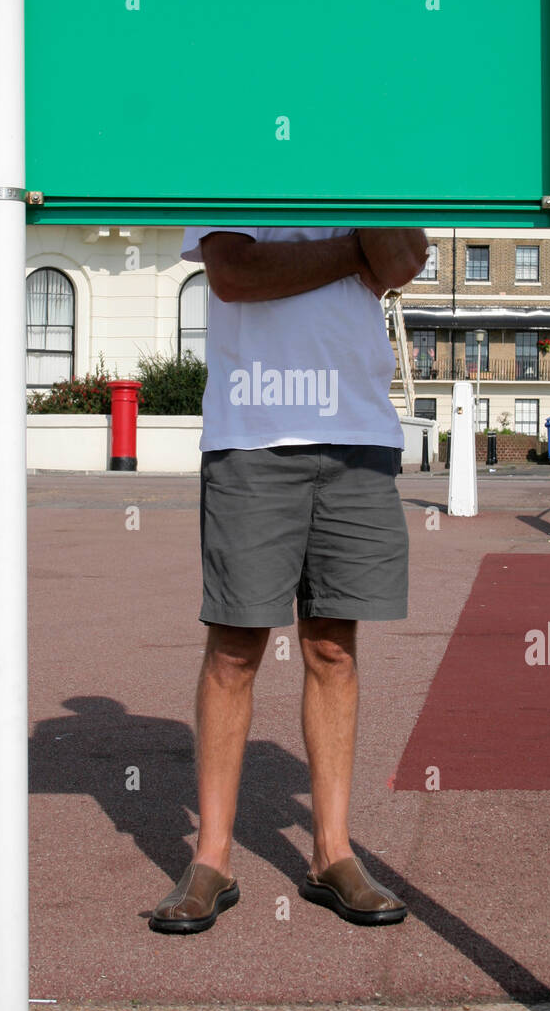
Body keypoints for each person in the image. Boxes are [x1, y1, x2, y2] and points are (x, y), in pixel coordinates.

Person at [149, 226, 428, 934]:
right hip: (252, 431)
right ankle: (212, 859)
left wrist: (358, 246)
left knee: (334, 646)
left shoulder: (369, 158)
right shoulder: (235, 143)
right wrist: (350, 253)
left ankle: (331, 854)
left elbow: (400, 263)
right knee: (236, 646)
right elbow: (235, 273)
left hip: (359, 433)